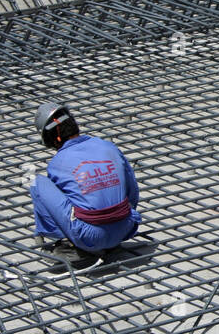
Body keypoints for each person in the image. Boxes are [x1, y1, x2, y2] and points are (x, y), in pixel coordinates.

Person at [29, 103, 141, 258]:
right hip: (126, 228)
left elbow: (62, 203)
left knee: (35, 181)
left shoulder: (57, 163)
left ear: (52, 138)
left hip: (89, 238)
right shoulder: (108, 146)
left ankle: (65, 243)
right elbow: (133, 191)